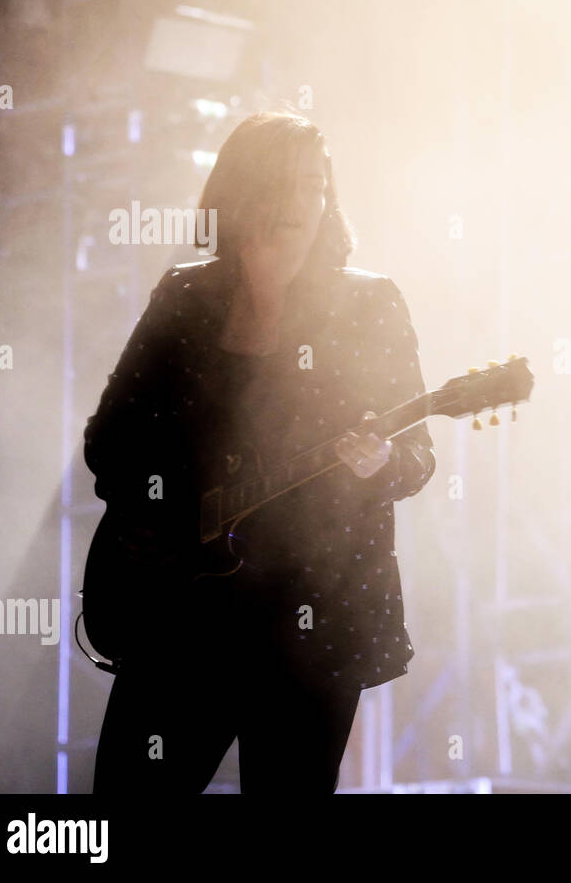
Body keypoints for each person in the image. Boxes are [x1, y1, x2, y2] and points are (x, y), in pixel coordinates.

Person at [84, 111, 436, 793]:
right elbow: (110, 438)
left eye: (317, 185)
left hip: (312, 622)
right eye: (287, 185)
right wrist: (153, 519)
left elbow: (417, 455)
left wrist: (378, 463)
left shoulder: (368, 304)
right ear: (242, 194)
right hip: (180, 615)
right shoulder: (184, 298)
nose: (304, 203)